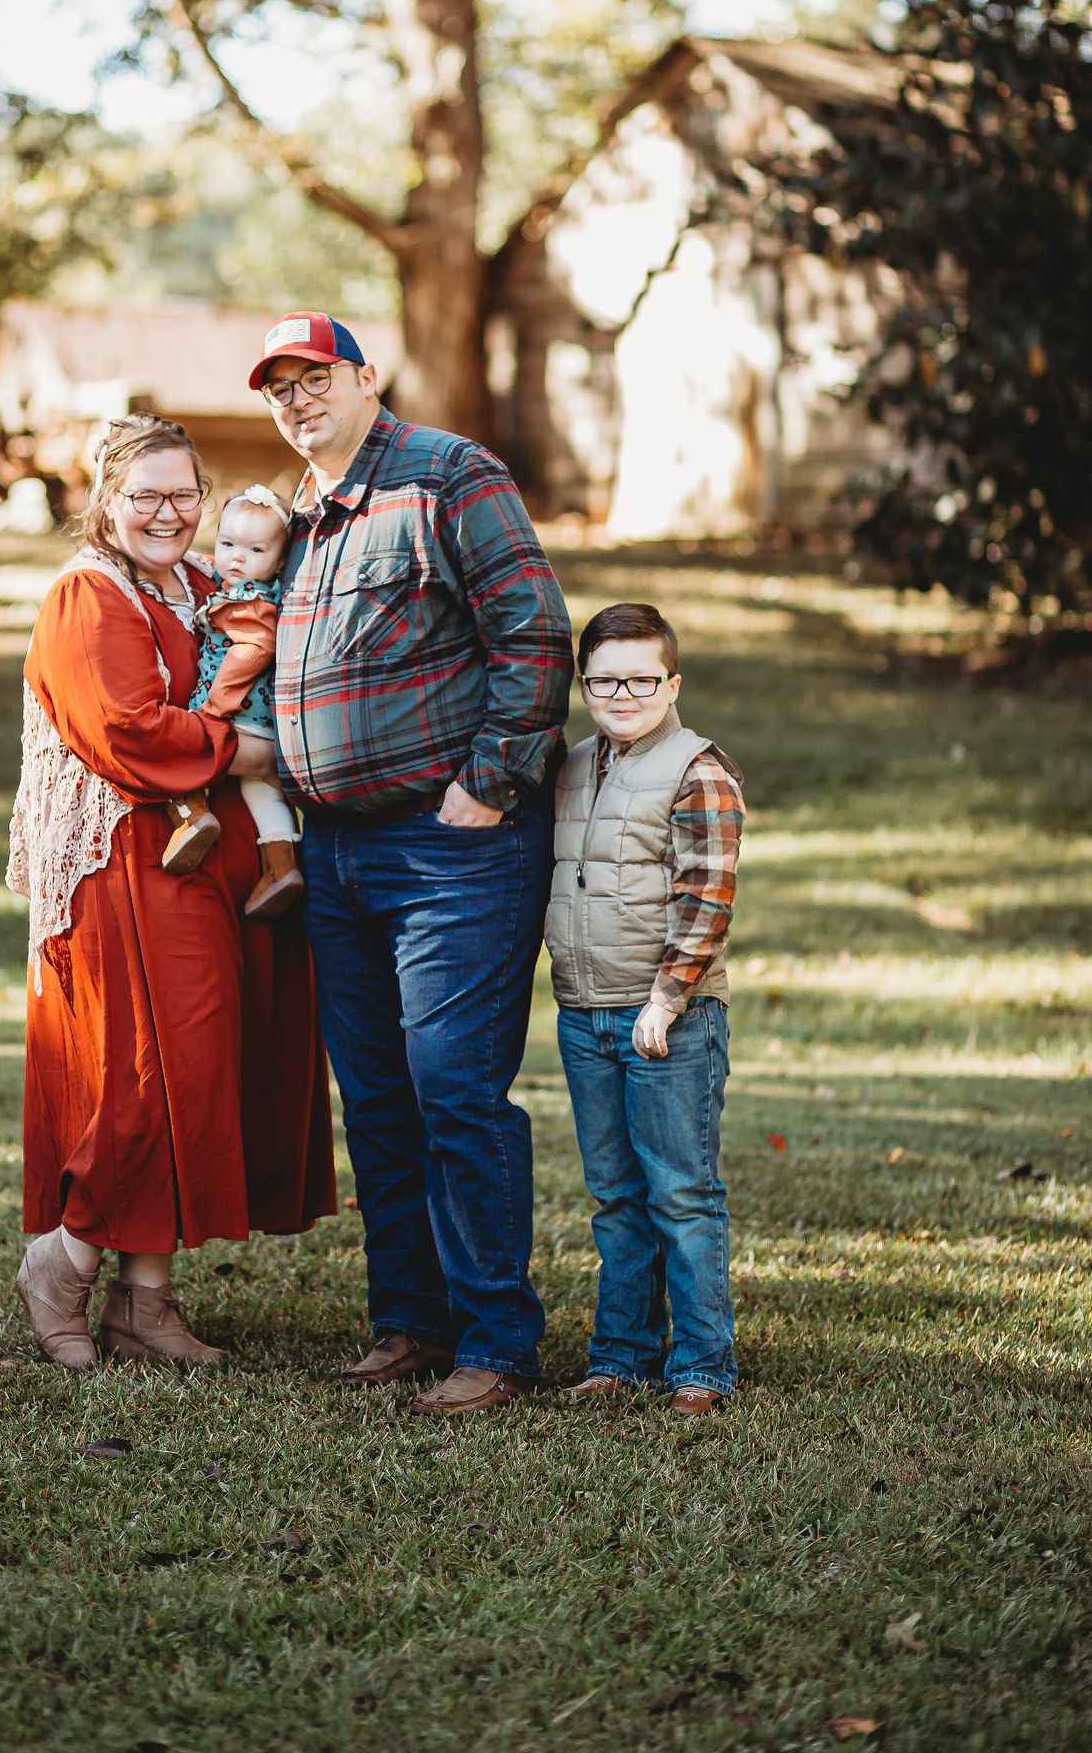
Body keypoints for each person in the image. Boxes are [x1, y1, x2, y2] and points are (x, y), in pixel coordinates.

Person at [251, 312, 574, 1416]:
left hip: (450, 848)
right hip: (333, 854)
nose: (297, 402)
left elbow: (532, 632)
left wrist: (487, 784)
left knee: (453, 1093)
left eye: (314, 379)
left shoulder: (446, 475)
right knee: (379, 1101)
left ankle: (496, 1341)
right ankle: (410, 1323)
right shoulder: (300, 515)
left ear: (364, 377)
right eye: (278, 389)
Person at [7, 415, 335, 1372]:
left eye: (182, 494)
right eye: (144, 494)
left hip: (204, 865)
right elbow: (128, 732)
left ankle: (144, 1304)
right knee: (145, 1077)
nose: (166, 512)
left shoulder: (204, 586)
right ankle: (60, 1263)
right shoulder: (86, 597)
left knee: (205, 1070)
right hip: (122, 866)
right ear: (106, 500)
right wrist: (251, 751)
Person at [547, 600, 744, 1417]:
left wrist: (666, 1000)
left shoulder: (699, 770)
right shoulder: (570, 763)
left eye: (639, 679)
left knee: (682, 1196)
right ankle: (620, 1357)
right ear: (583, 684)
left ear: (672, 683)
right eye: (602, 680)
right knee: (614, 1197)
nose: (621, 694)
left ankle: (701, 1367)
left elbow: (706, 897)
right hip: (583, 1012)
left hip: (666, 1019)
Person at [161, 485, 304, 921]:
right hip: (264, 719)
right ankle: (281, 868)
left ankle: (192, 816)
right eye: (228, 544)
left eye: (255, 549)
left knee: (183, 759)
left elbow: (254, 649)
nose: (237, 558)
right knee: (261, 793)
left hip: (237, 712)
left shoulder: (247, 601)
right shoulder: (262, 595)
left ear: (279, 561)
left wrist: (216, 705)